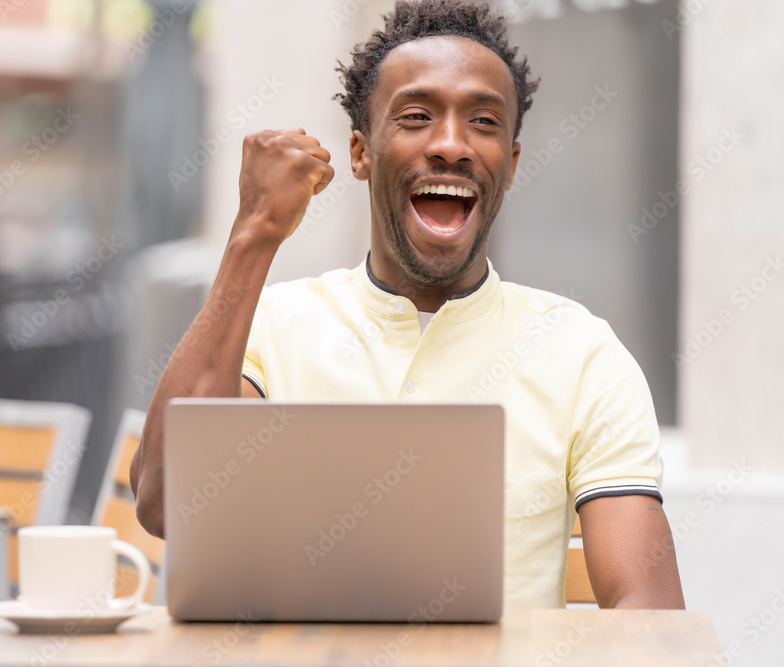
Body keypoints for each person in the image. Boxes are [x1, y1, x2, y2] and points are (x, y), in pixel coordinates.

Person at [131, 0, 685, 609]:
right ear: (361, 154)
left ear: (512, 165)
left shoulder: (584, 356)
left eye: (483, 122)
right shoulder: (274, 325)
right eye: (417, 116)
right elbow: (166, 502)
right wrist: (254, 233)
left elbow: (647, 616)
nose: (452, 145)